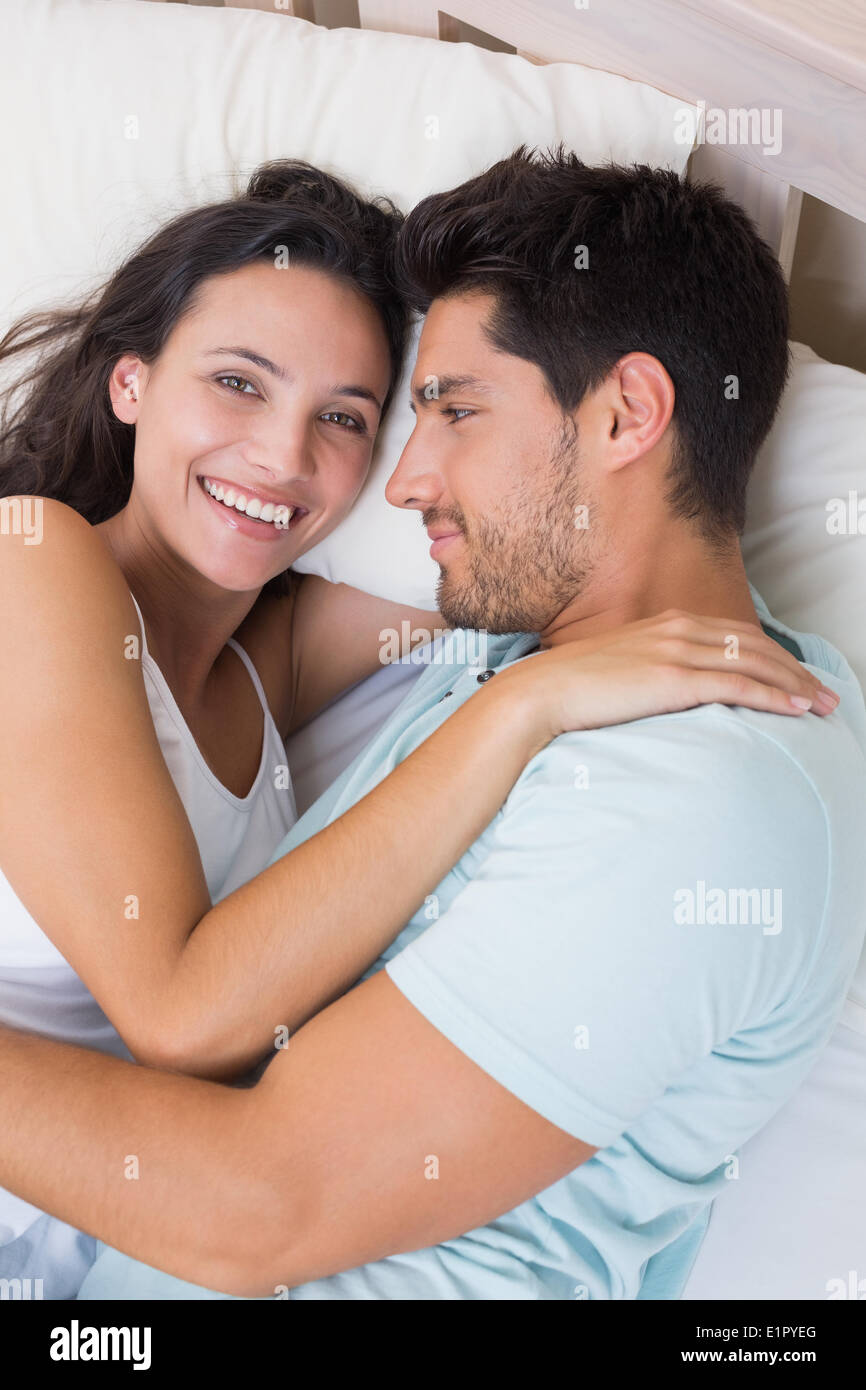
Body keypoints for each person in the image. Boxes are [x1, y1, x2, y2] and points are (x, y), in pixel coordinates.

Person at [1, 150, 862, 1302]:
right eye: (237, 381)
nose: (398, 484)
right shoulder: (505, 657)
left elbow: (261, 1197)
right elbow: (182, 1007)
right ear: (130, 381)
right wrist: (524, 696)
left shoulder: (700, 785)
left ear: (627, 414)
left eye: (438, 410)